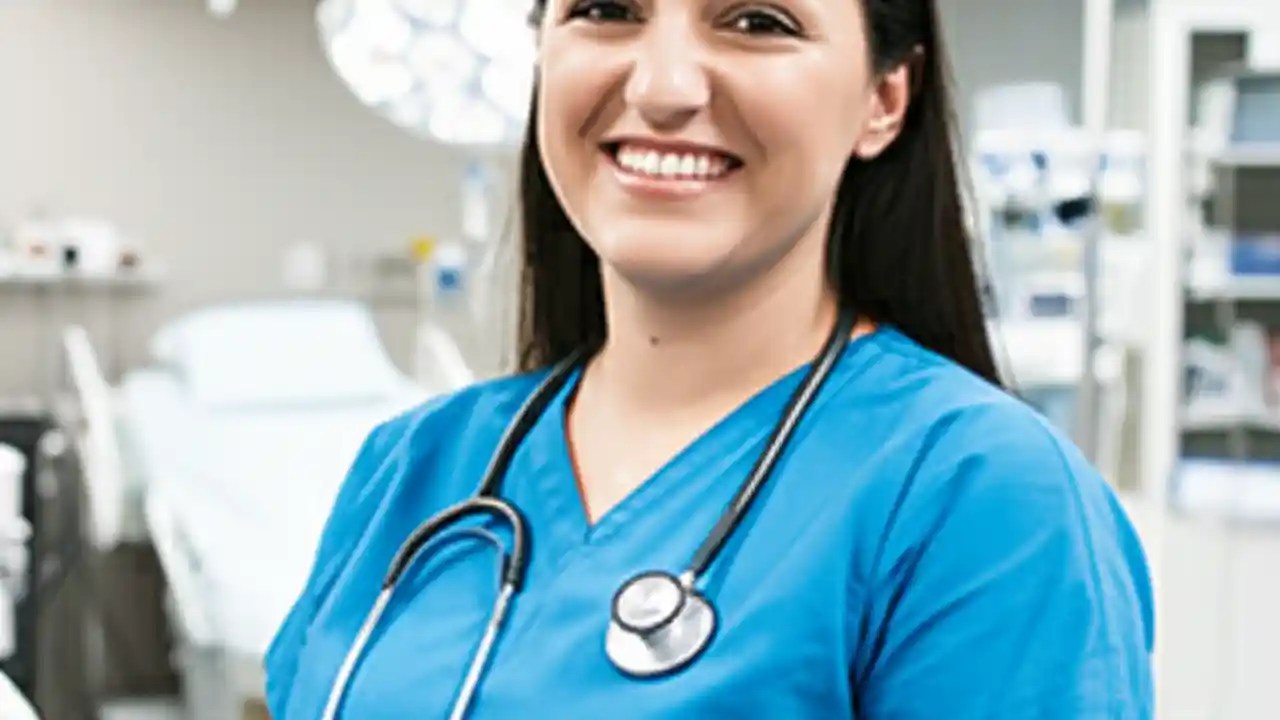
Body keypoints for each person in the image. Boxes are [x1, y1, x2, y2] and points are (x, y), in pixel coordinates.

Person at [265, 0, 1155, 717]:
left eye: (758, 22)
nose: (661, 87)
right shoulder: (415, 470)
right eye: (606, 10)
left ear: (884, 98)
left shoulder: (980, 497)